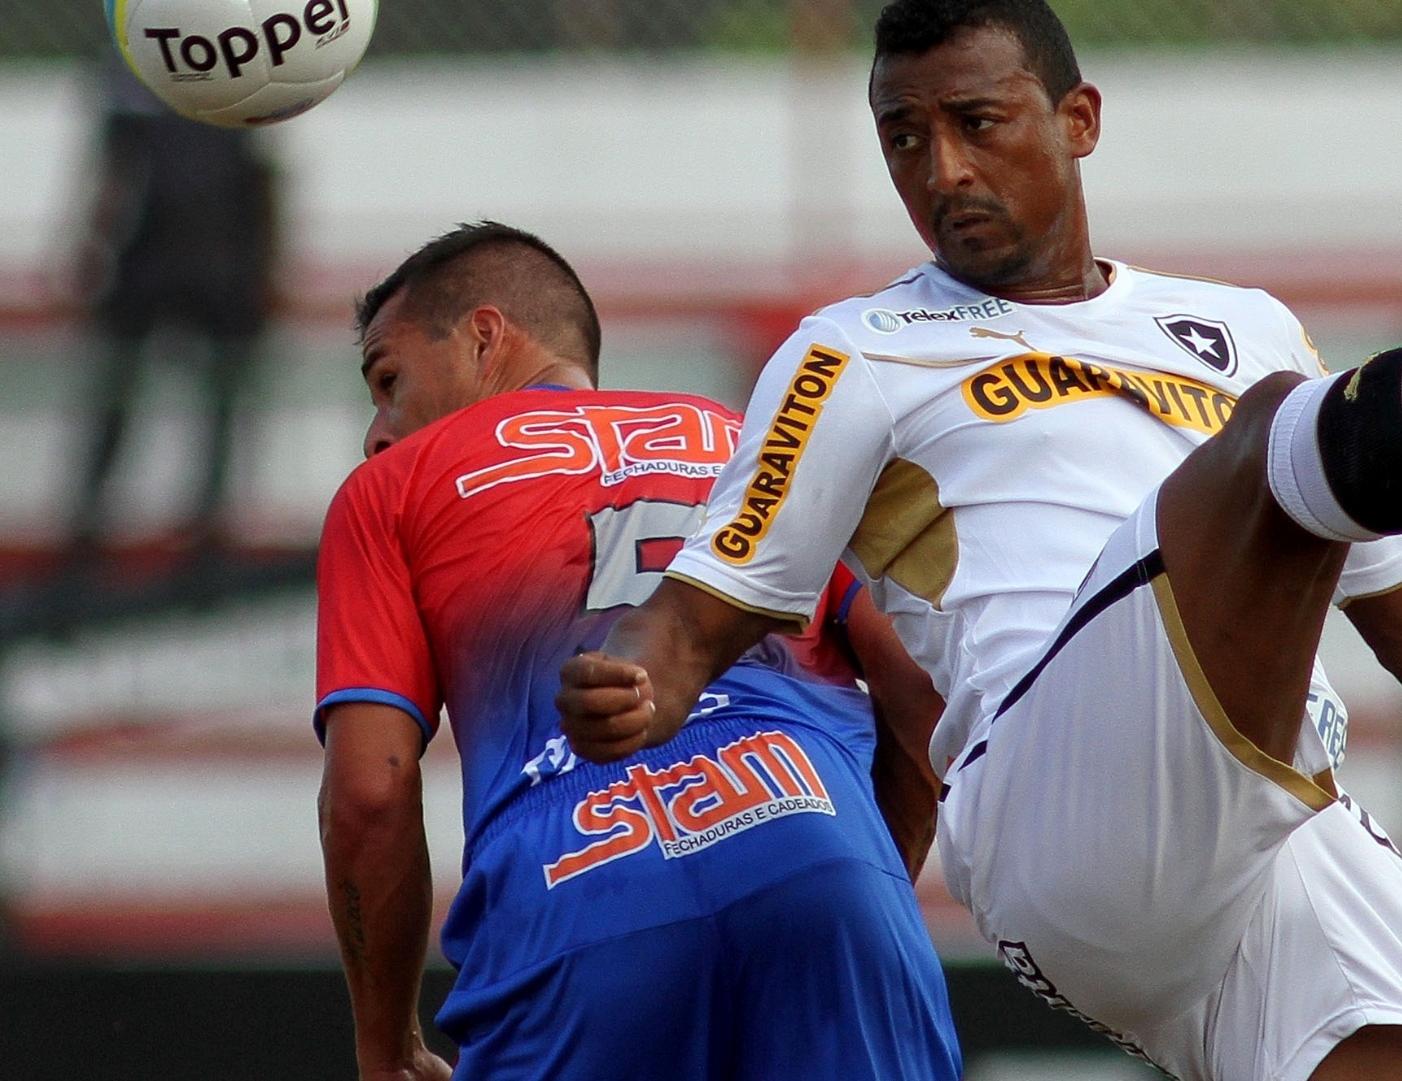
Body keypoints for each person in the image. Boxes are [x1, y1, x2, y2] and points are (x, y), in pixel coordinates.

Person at [557, 0, 1402, 1081]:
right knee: (1271, 446)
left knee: (1280, 443)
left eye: (975, 121)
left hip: (1284, 825)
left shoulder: (1238, 326)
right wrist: (637, 684)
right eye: (902, 137)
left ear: (1079, 119)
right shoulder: (859, 349)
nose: (939, 169)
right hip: (1057, 803)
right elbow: (708, 605)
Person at [315, 222, 959, 1081]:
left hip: (574, 890)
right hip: (814, 842)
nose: (377, 434)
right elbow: (922, 688)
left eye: (388, 381)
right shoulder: (751, 442)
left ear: (483, 334)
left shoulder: (392, 489)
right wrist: (863, 874)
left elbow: (368, 792)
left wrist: (386, 1046)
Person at [66, 48, 278, 560]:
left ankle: (204, 522)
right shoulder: (196, 59)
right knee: (121, 392)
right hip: (166, 256)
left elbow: (262, 172)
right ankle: (93, 521)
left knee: (214, 397)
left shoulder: (213, 56)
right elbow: (115, 173)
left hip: (207, 257)